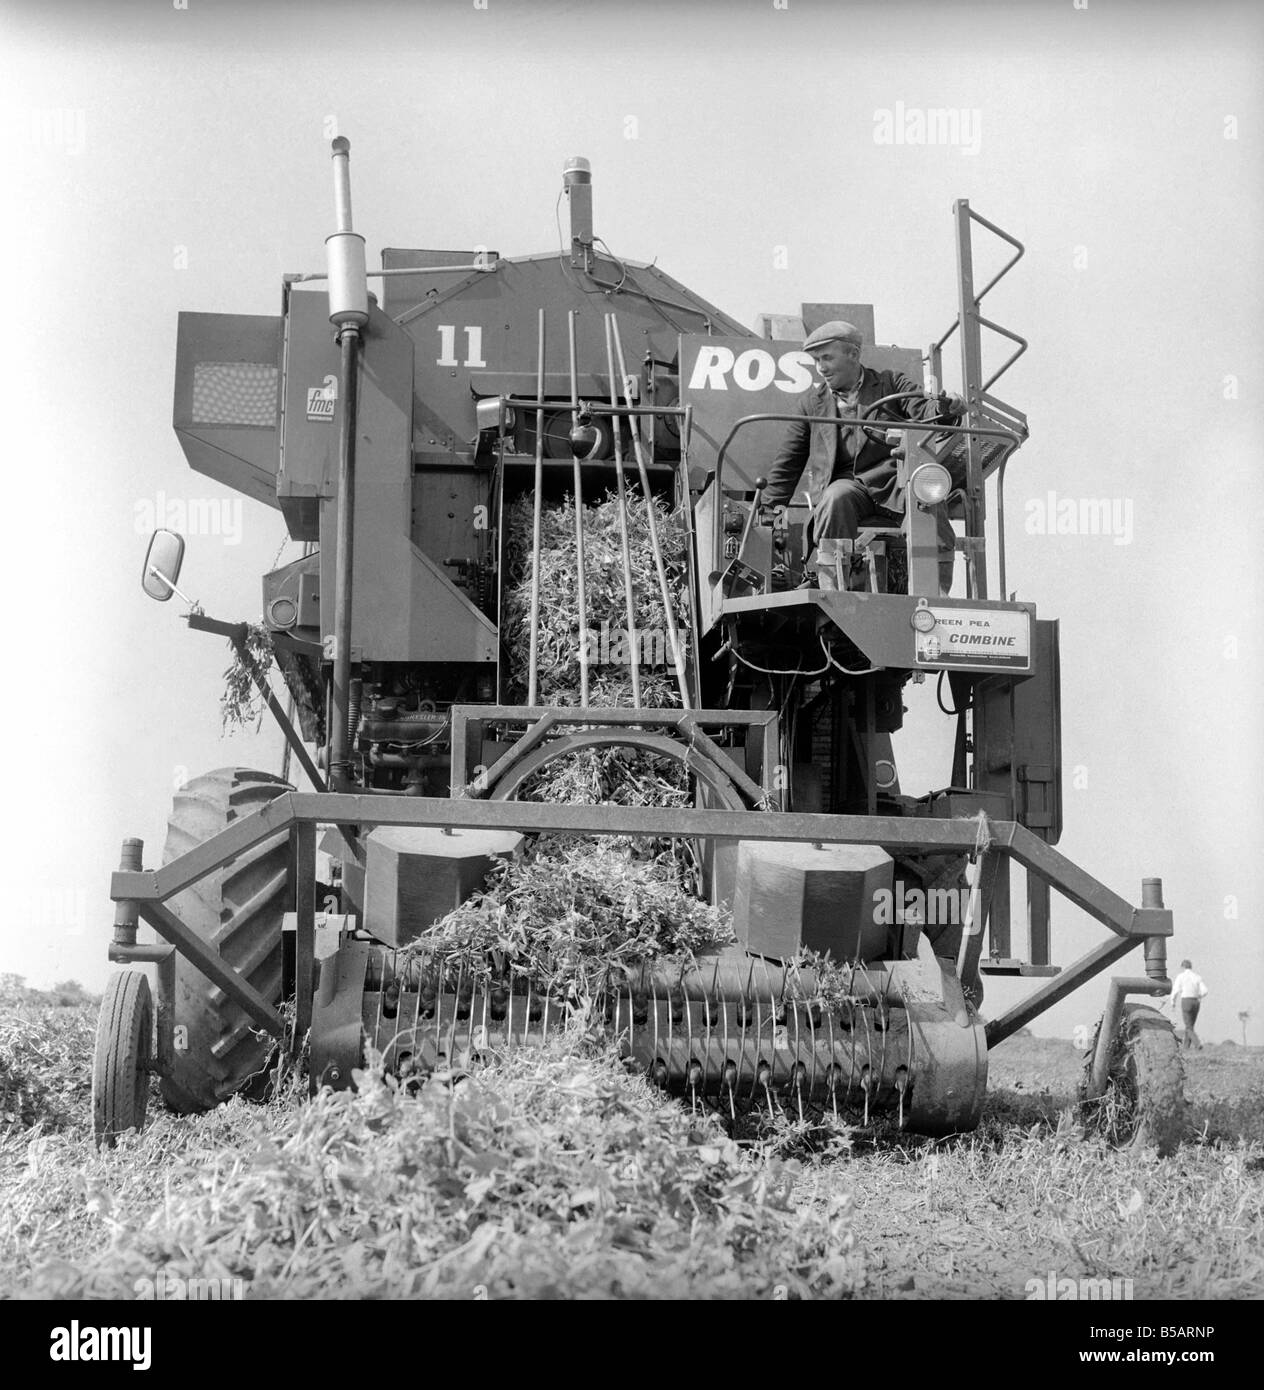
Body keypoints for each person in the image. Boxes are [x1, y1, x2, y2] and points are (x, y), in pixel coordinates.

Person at [762, 320, 966, 592]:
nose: (821, 368)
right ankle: (834, 593)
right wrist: (768, 513)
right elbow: (788, 464)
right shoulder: (811, 404)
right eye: (816, 360)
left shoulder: (891, 383)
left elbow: (925, 410)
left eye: (827, 358)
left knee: (927, 497)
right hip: (849, 487)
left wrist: (947, 407)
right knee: (834, 499)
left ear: (853, 355)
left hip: (894, 482)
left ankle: (935, 594)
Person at [1168, 958, 1208, 1050]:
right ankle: (1186, 1047)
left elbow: (1175, 991)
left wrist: (1172, 1002)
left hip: (1186, 1001)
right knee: (1190, 1026)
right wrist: (1199, 996)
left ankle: (1197, 1044)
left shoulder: (1181, 977)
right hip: (1196, 1002)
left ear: (1183, 967)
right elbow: (1205, 991)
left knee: (1188, 1026)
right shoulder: (1197, 977)